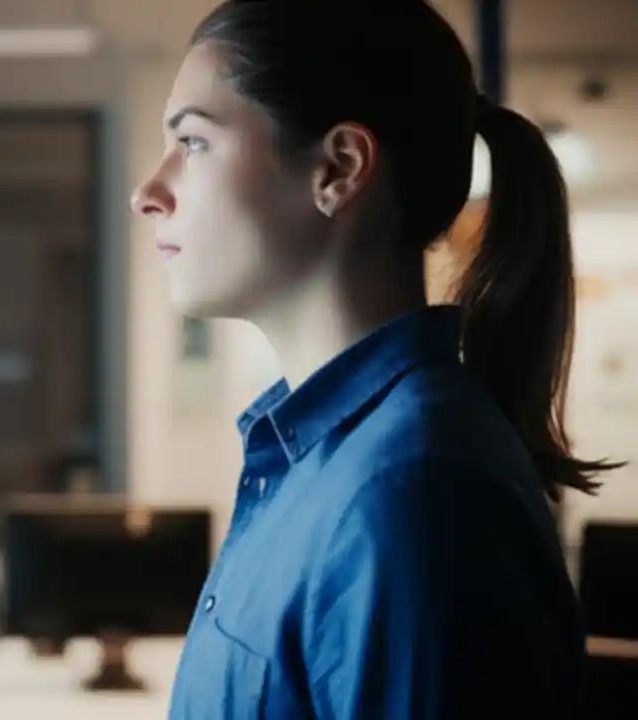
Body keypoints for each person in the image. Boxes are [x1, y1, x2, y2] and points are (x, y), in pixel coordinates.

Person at [129, 1, 626, 718]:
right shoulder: (319, 460)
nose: (149, 192)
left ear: (339, 168)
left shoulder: (411, 489)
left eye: (195, 143)